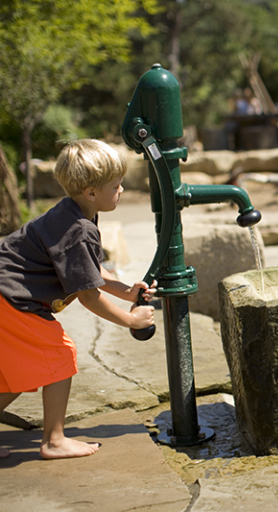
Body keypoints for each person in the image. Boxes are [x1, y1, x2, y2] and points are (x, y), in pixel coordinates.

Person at [0, 139, 157, 460]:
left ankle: (54, 438)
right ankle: (54, 440)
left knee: (21, 369)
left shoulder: (73, 212)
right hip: (11, 299)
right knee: (59, 356)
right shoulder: (79, 228)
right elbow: (89, 296)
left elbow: (89, 269)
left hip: (6, 294)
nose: (122, 190)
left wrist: (126, 291)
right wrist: (131, 319)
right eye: (116, 185)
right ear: (91, 192)